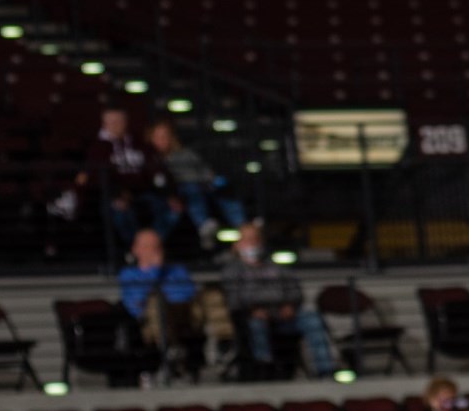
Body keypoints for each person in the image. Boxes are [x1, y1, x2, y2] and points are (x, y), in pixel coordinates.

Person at [217, 221, 337, 377]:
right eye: (247, 239)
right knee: (256, 324)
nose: (252, 243)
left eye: (255, 239)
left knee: (311, 318)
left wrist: (290, 305)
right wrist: (252, 310)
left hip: (283, 314)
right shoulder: (232, 271)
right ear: (237, 244)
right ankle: (264, 368)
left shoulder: (276, 266)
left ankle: (325, 369)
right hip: (253, 316)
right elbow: (233, 297)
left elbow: (295, 289)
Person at [117, 228, 199, 378]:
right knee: (156, 303)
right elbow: (136, 303)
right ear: (135, 249)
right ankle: (168, 351)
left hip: (181, 315)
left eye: (156, 246)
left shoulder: (176, 270)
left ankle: (224, 346)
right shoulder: (128, 274)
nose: (153, 251)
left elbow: (187, 294)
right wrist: (154, 270)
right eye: (147, 246)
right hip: (147, 321)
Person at [147, 121, 244, 239]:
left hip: (201, 184)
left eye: (166, 136)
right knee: (191, 192)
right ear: (150, 138)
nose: (163, 140)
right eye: (158, 137)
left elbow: (203, 169)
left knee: (223, 188)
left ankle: (242, 225)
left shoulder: (186, 154)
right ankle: (203, 224)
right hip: (178, 189)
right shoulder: (150, 158)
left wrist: (212, 180)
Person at [78, 108, 159, 244]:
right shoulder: (97, 147)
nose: (116, 125)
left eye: (119, 121)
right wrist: (118, 194)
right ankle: (136, 247)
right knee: (120, 211)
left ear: (126, 122)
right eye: (112, 122)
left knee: (163, 206)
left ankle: (152, 245)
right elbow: (96, 177)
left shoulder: (139, 143)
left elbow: (152, 170)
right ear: (104, 124)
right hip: (111, 195)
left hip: (140, 192)